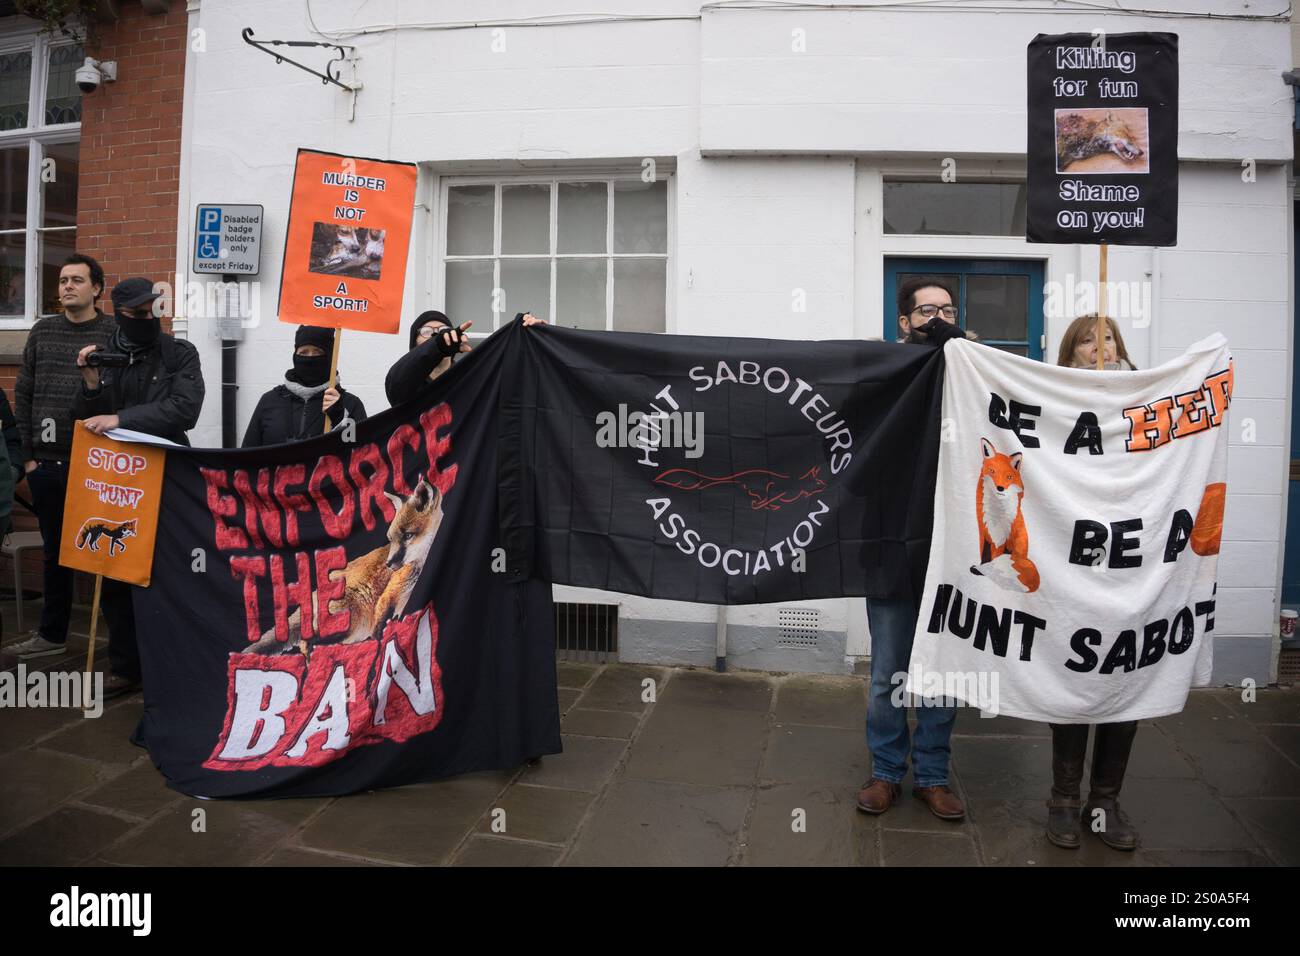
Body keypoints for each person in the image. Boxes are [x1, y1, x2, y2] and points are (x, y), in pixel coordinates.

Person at [858, 276, 971, 821]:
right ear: (904, 321)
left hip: (952, 545)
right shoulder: (883, 371)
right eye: (926, 310)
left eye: (946, 309)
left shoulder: (971, 370)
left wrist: (964, 351)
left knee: (944, 670)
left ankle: (931, 774)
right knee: (888, 671)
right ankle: (885, 772)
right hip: (890, 541)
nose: (937, 318)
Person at [73, 276, 205, 697]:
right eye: (136, 314)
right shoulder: (106, 353)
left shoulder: (179, 353)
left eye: (152, 311)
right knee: (114, 572)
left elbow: (185, 409)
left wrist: (123, 419)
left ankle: (168, 660)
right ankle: (124, 664)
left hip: (167, 475)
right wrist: (92, 385)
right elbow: (87, 421)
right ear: (120, 314)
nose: (146, 319)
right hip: (118, 479)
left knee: (166, 571)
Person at [1045, 313, 1140, 851]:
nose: (1099, 348)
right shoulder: (1053, 398)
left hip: (1132, 561)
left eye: (1108, 339)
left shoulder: (1148, 396)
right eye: (1087, 341)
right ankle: (1063, 799)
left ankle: (1105, 800)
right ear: (1071, 350)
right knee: (1074, 677)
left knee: (1126, 675)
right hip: (1071, 560)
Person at [9, 254, 116, 661]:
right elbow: (24, 393)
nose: (67, 286)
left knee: (109, 551)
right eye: (63, 280)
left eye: (77, 280)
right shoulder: (43, 331)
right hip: (48, 466)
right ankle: (52, 635)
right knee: (57, 552)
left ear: (97, 289)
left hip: (98, 462)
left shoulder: (113, 330)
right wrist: (29, 458)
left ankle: (116, 642)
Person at [385, 309, 543, 406]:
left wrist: (530, 338)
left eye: (442, 330)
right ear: (414, 344)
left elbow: (516, 382)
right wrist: (436, 346)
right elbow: (395, 382)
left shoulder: (469, 379)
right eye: (426, 331)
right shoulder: (406, 387)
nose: (435, 334)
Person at [242, 325, 367, 446]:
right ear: (295, 355)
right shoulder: (269, 401)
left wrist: (340, 419)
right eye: (303, 352)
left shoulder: (351, 405)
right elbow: (247, 458)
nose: (310, 358)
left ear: (330, 357)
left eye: (318, 352)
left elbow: (358, 457)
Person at [1056, 311, 1137, 370]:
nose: (1100, 346)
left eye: (1107, 338)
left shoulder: (1142, 389)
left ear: (1118, 353)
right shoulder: (1058, 391)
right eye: (1087, 340)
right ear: (1070, 359)